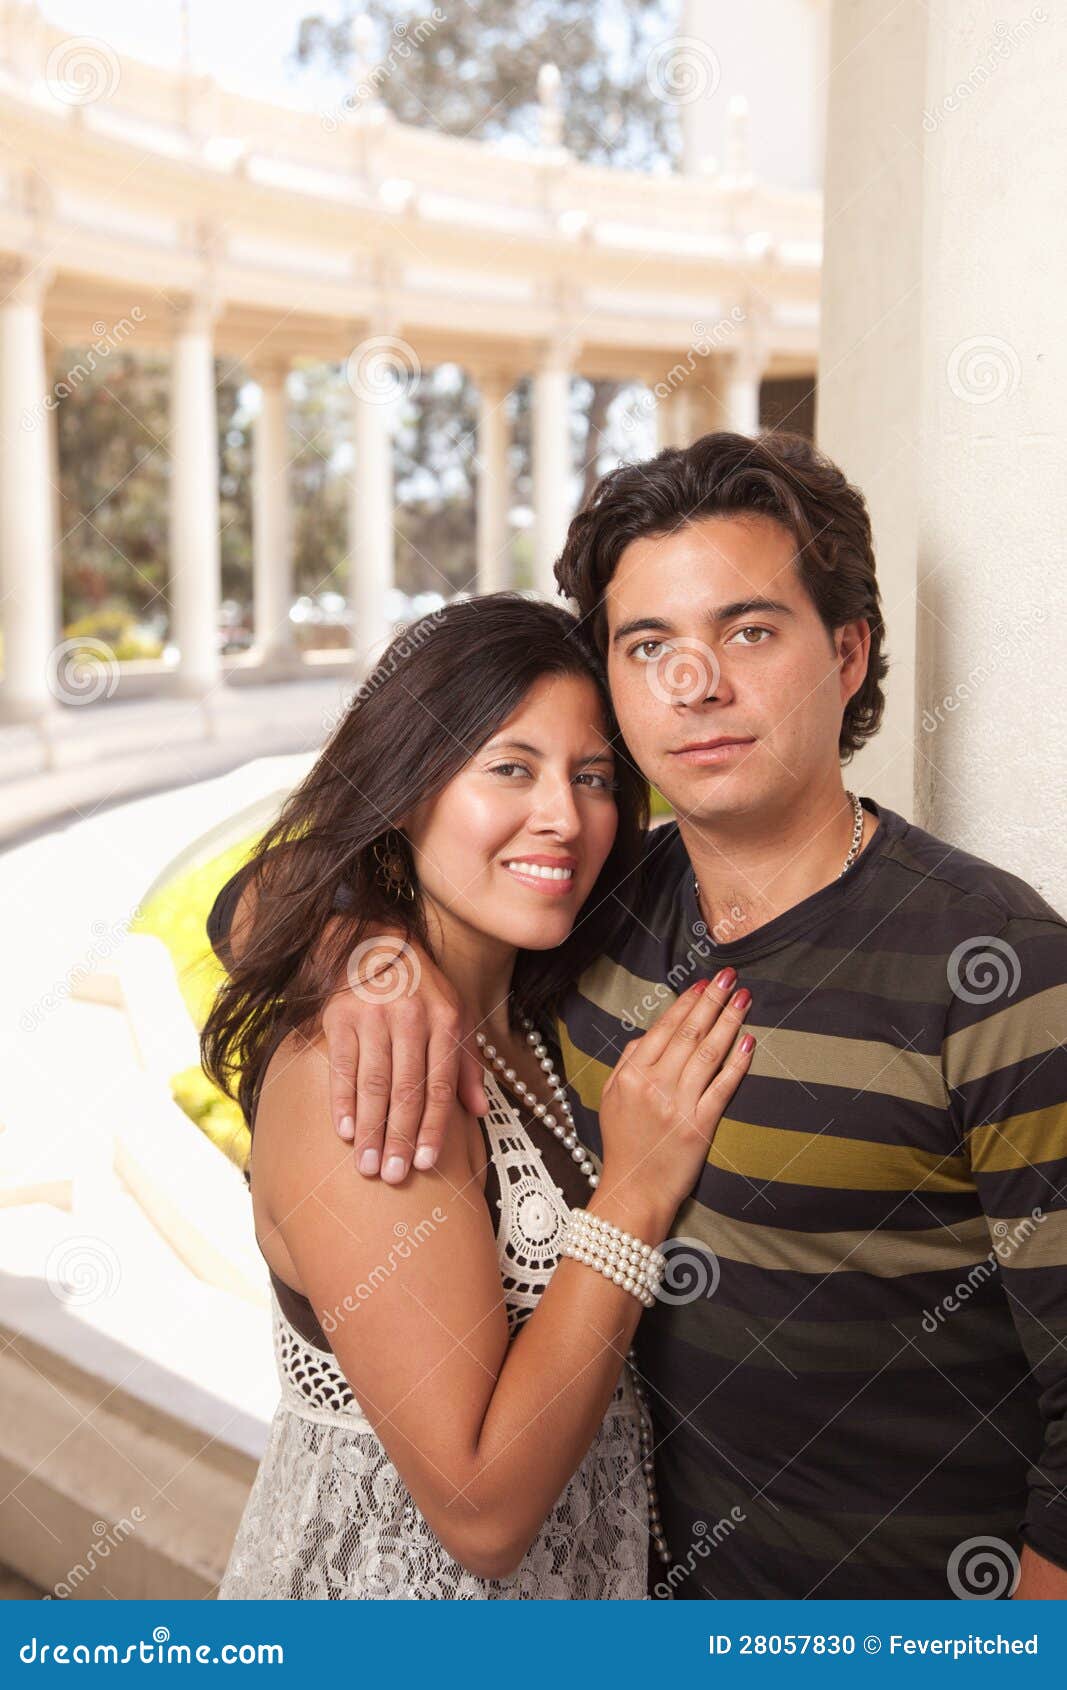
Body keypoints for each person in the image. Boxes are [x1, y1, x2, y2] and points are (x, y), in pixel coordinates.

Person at [215, 431, 1067, 1600]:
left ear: (849, 652)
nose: (694, 683)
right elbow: (284, 883)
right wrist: (361, 945)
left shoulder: (994, 966)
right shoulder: (598, 910)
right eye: (646, 644)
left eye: (748, 630)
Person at [203, 593, 755, 1599]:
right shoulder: (367, 1067)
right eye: (510, 767)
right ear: (407, 786)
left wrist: (355, 933)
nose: (562, 814)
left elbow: (265, 889)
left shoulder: (543, 995)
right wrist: (631, 1192)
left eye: (592, 776)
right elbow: (481, 1512)